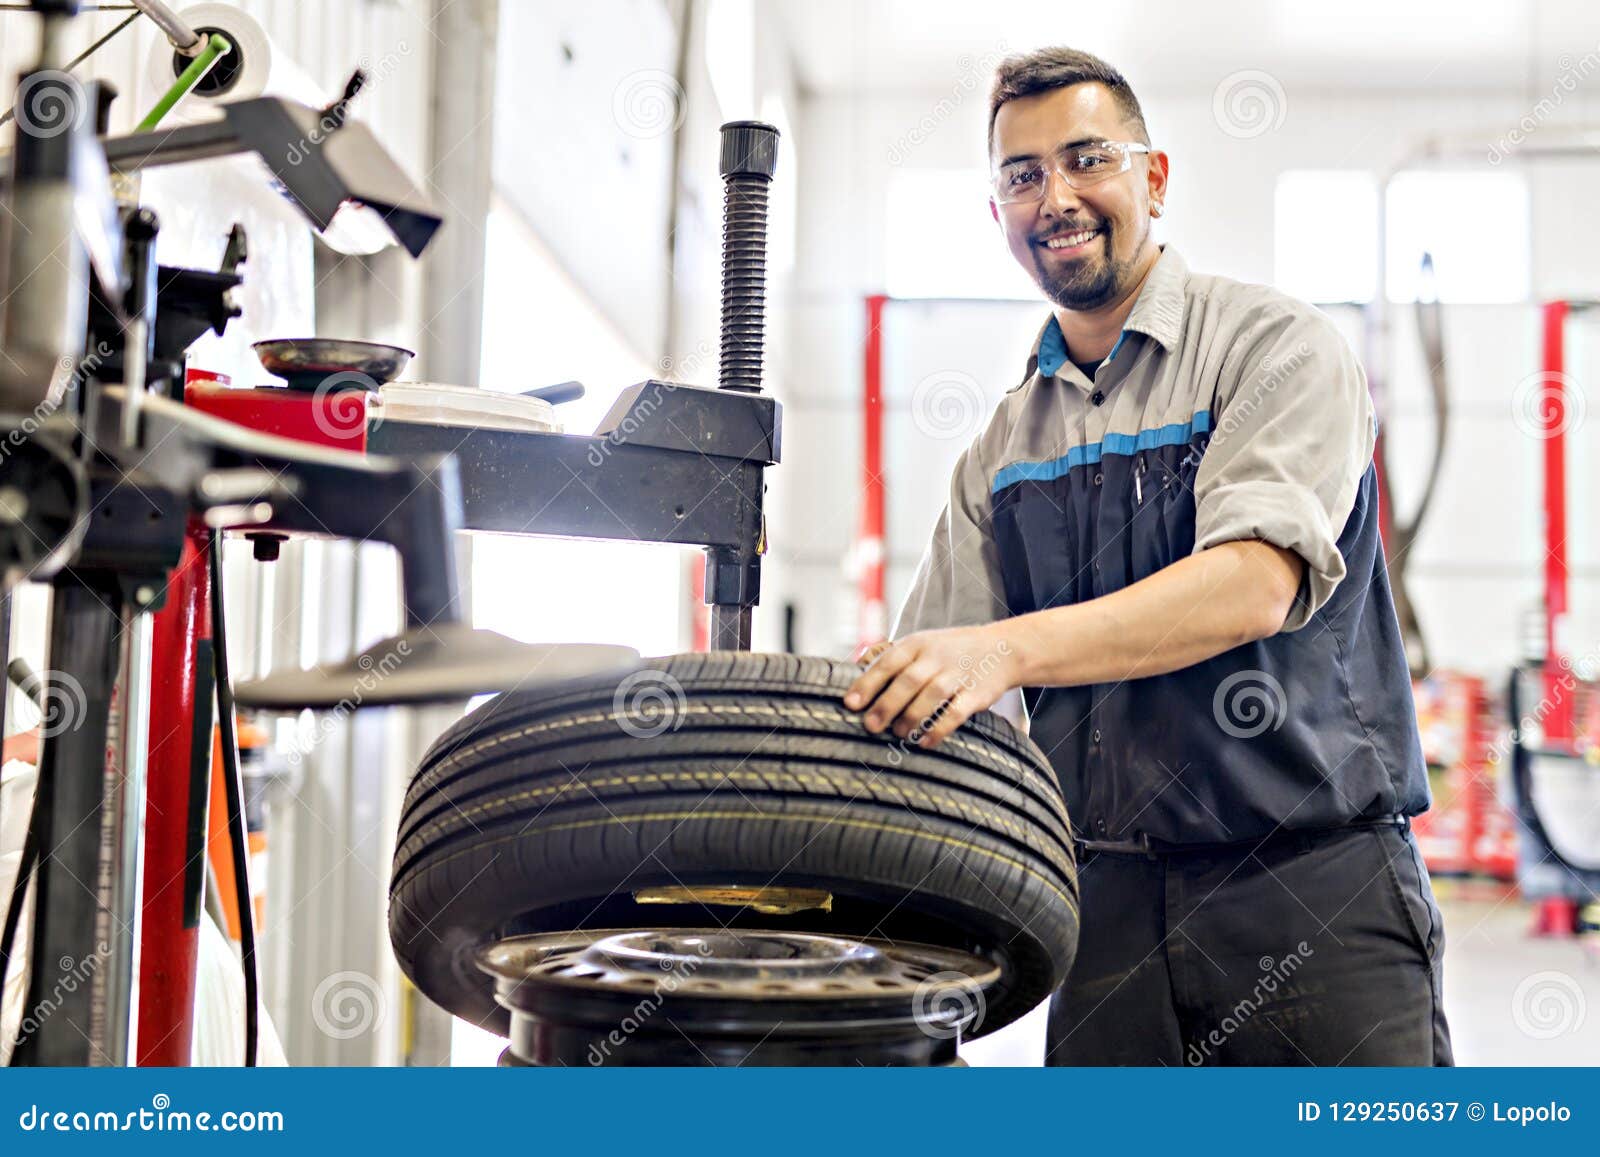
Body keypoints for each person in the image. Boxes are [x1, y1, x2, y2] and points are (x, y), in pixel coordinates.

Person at [844, 46, 1451, 1066]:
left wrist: (1004, 650)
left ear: (1153, 178)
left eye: (1087, 159)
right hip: (1104, 916)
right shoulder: (1001, 450)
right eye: (1022, 175)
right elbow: (943, 689)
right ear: (997, 213)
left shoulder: (1274, 348)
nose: (1056, 198)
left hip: (1310, 894)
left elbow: (1250, 584)